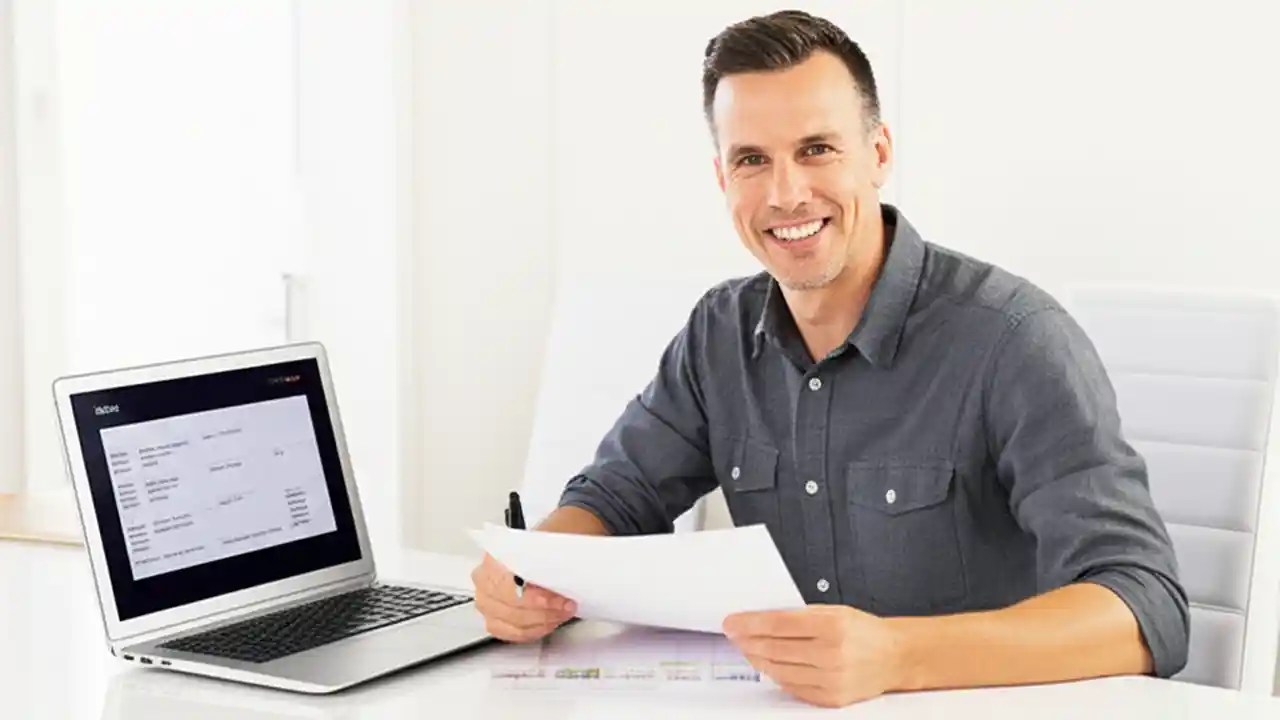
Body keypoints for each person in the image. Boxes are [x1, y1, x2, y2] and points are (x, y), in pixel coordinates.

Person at [470, 9, 1187, 708]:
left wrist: (899, 655)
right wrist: (530, 573)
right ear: (723, 180)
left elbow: (1144, 605)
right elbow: (614, 500)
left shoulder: (1013, 339)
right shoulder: (720, 331)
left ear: (878, 155)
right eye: (753, 159)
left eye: (816, 149)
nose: (786, 193)